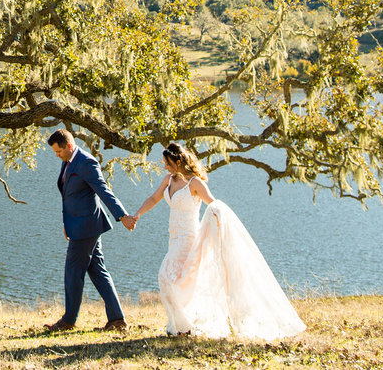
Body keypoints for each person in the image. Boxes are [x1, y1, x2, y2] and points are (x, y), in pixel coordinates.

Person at [131, 142, 305, 340]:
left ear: (178, 162)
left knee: (166, 276)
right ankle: (181, 326)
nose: (165, 167)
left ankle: (183, 326)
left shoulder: (195, 183)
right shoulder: (168, 180)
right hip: (174, 237)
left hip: (189, 239)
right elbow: (154, 198)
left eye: (168, 163)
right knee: (180, 281)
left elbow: (213, 204)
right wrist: (137, 214)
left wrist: (219, 222)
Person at [44, 127, 137, 333]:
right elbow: (69, 197)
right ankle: (117, 319)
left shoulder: (86, 162)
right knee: (97, 271)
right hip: (79, 225)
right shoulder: (67, 162)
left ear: (69, 146)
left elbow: (103, 190)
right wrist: (66, 225)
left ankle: (68, 321)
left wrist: (122, 216)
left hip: (86, 228)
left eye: (59, 151)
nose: (57, 156)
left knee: (72, 272)